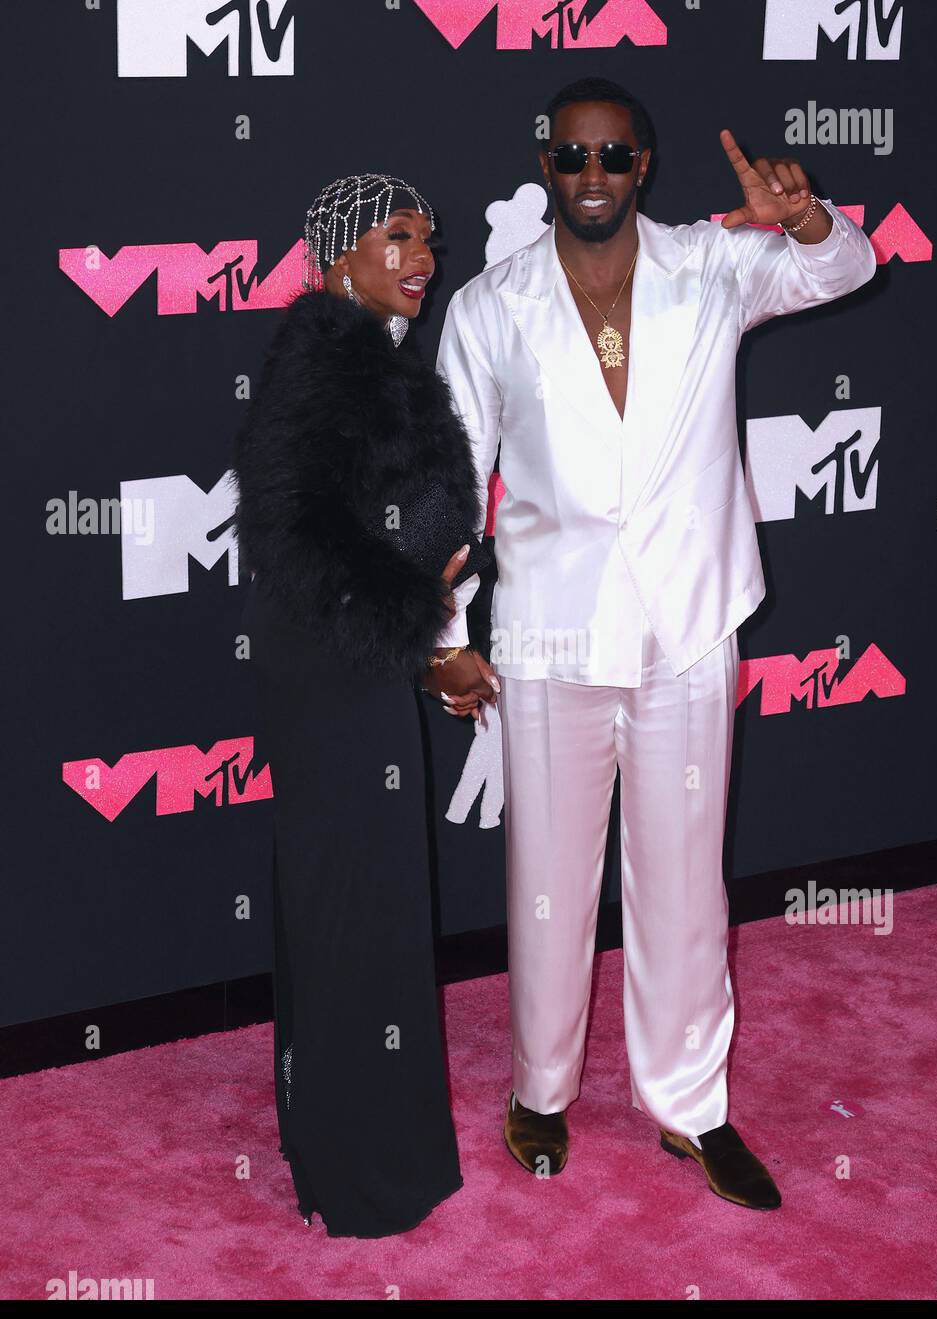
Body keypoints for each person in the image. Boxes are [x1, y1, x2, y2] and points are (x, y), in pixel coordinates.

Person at [436, 78, 877, 1210]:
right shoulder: (489, 307)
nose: (592, 177)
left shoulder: (711, 265)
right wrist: (443, 630)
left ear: (645, 165)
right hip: (546, 629)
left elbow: (843, 270)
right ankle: (539, 1089)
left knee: (684, 880)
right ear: (545, 166)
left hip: (686, 620)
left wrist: (808, 218)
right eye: (572, 158)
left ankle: (690, 1104)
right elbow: (446, 487)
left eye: (613, 156)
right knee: (547, 880)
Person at [231, 173, 496, 1238]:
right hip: (337, 675)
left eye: (427, 238)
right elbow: (291, 529)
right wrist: (416, 603)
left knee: (349, 907)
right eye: (395, 238)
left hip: (353, 665)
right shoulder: (324, 358)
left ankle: (334, 1143)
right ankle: (363, 1173)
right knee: (361, 910)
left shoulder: (363, 354)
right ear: (337, 254)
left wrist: (423, 628)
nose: (421, 256)